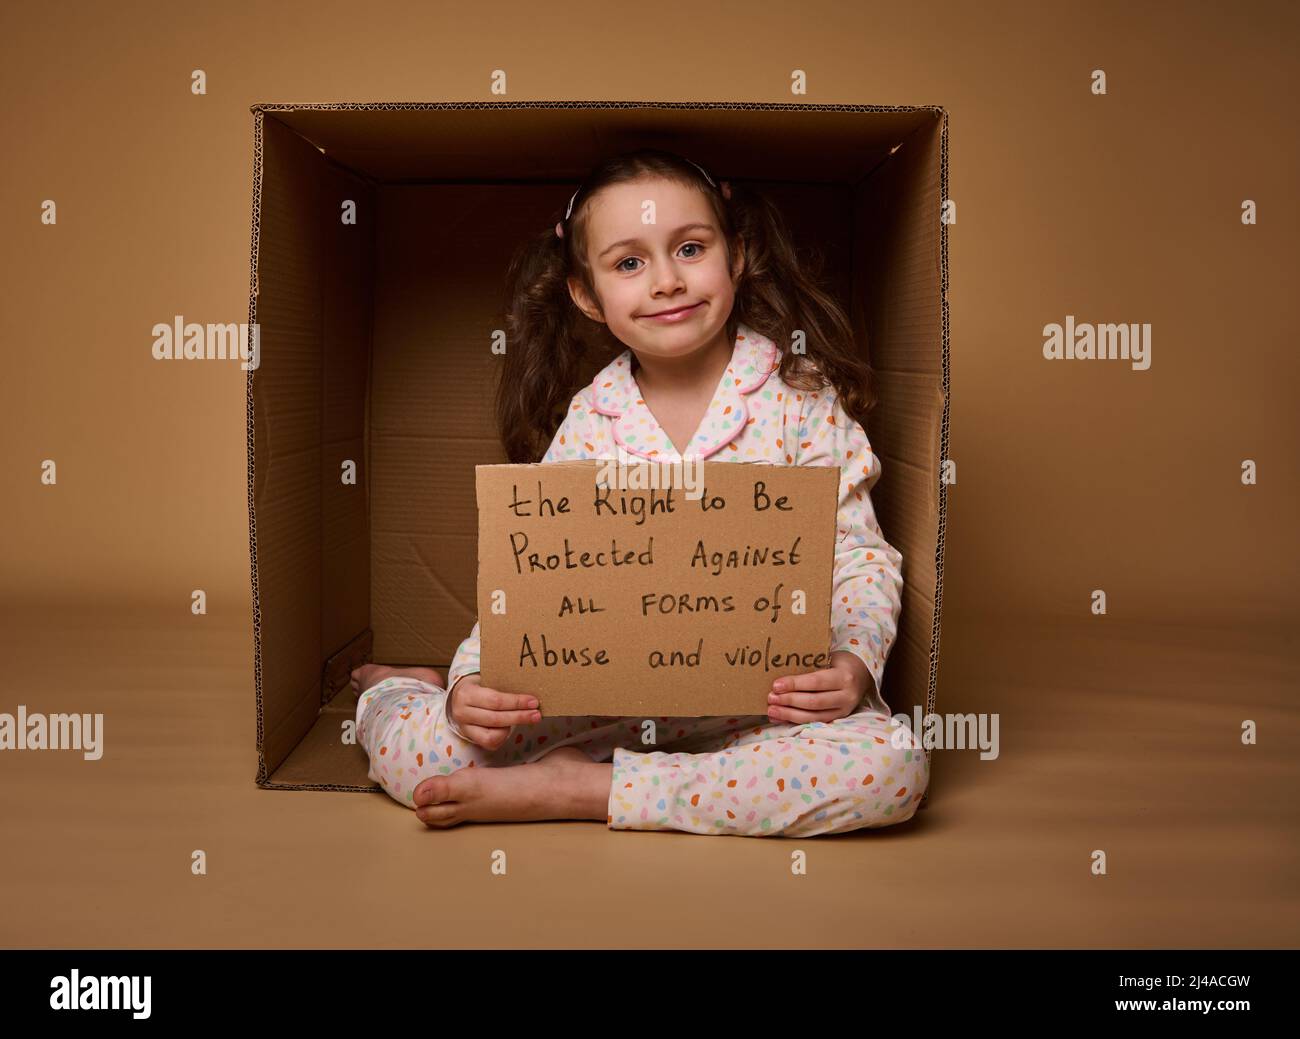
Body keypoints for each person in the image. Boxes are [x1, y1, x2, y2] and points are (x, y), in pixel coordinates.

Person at [351, 148, 928, 837]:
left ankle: (586, 791)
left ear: (737, 256)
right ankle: (403, 686)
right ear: (587, 294)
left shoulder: (800, 399)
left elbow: (861, 555)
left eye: (690, 248)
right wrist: (472, 682)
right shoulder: (593, 419)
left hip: (763, 713)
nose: (666, 281)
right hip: (604, 708)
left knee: (892, 768)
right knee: (423, 756)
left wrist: (853, 661)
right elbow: (532, 578)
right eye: (629, 262)